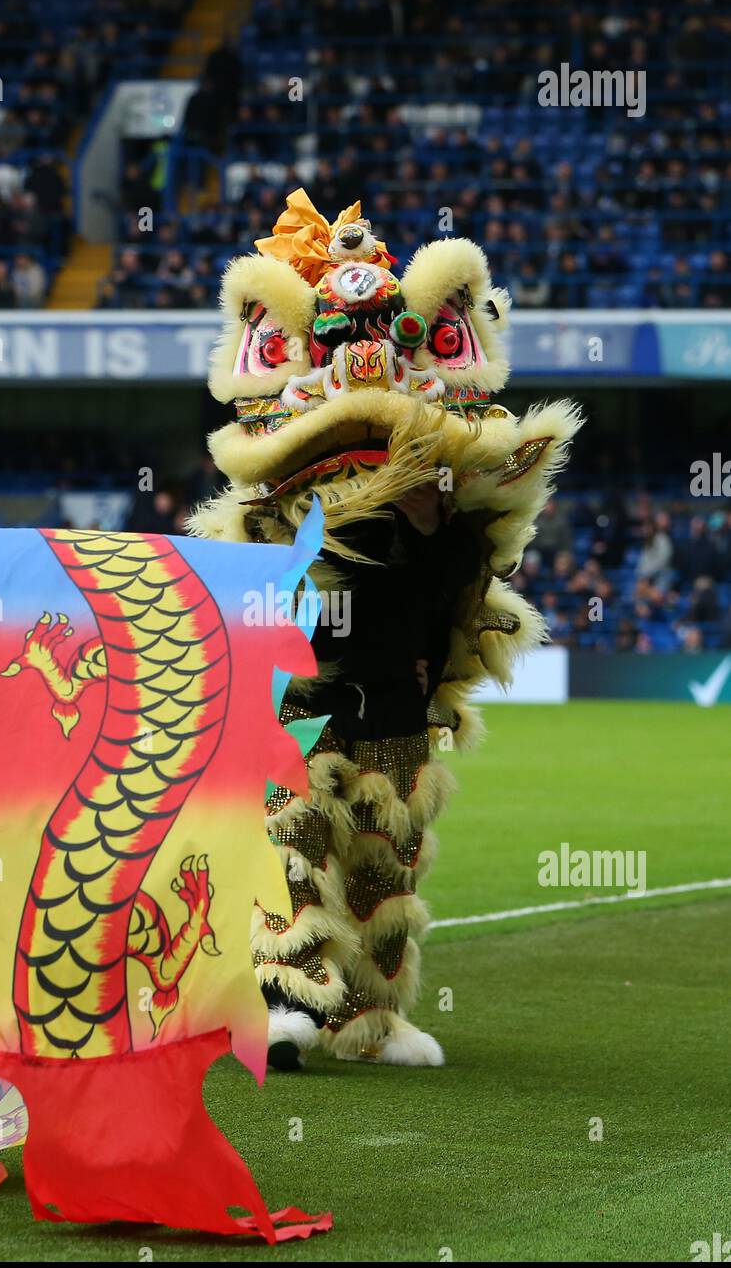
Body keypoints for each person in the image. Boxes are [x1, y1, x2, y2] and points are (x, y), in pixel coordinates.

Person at [190, 188, 580, 1069]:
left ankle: (370, 1018)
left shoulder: (449, 531)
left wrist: (433, 513)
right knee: (291, 852)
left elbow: (455, 593)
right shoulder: (287, 517)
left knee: (385, 866)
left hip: (395, 710)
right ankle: (284, 999)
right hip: (301, 705)